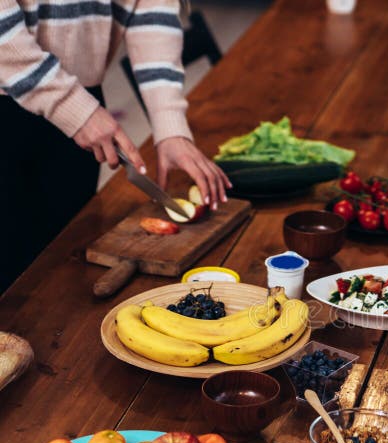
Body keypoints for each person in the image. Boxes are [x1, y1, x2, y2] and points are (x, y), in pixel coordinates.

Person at [0, 0, 230, 292]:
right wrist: (73, 107)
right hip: (20, 104)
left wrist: (169, 123)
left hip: (82, 101)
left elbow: (151, 10)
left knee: (61, 272)